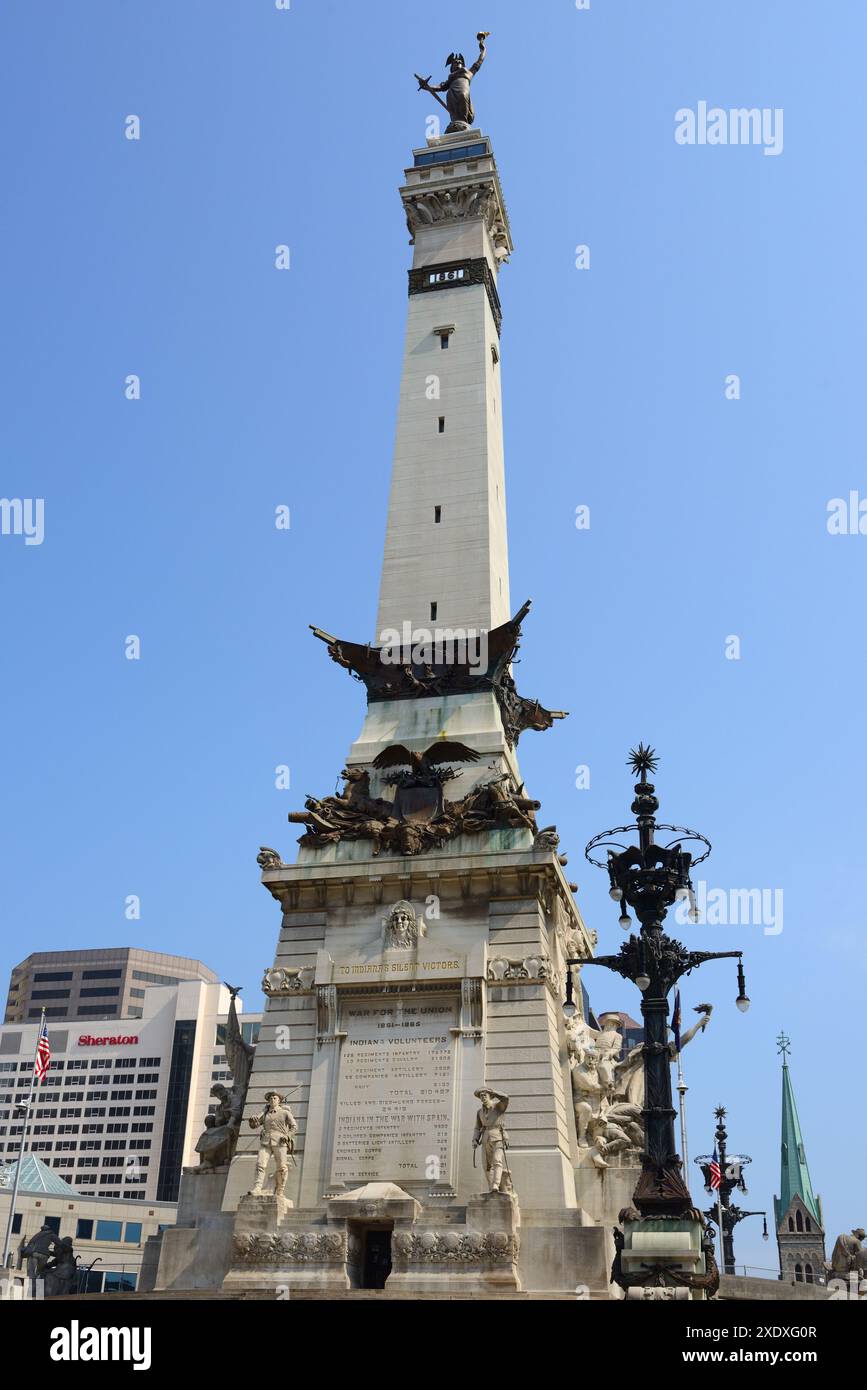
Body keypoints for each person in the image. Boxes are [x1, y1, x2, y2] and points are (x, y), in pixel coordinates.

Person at [248, 1091, 297, 1198]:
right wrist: (252, 1120)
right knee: (260, 1164)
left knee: (282, 1167)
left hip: (280, 1142)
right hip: (266, 1141)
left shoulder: (285, 1113)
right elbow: (254, 1125)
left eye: (274, 1098)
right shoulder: (264, 1114)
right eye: (270, 1098)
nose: (272, 1100)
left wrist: (288, 1136)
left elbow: (294, 1127)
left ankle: (280, 1190)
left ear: (279, 1100)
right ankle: (257, 1187)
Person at [472, 1087, 510, 1193]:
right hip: (485, 1139)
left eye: (485, 1095)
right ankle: (491, 1187)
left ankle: (496, 1185)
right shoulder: (479, 1112)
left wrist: (494, 1092)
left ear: (490, 1096)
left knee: (497, 1161)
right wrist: (475, 1139)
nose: (483, 1097)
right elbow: (477, 1127)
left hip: (498, 1136)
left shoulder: (498, 1107)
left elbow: (505, 1098)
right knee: (487, 1166)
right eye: (481, 1096)